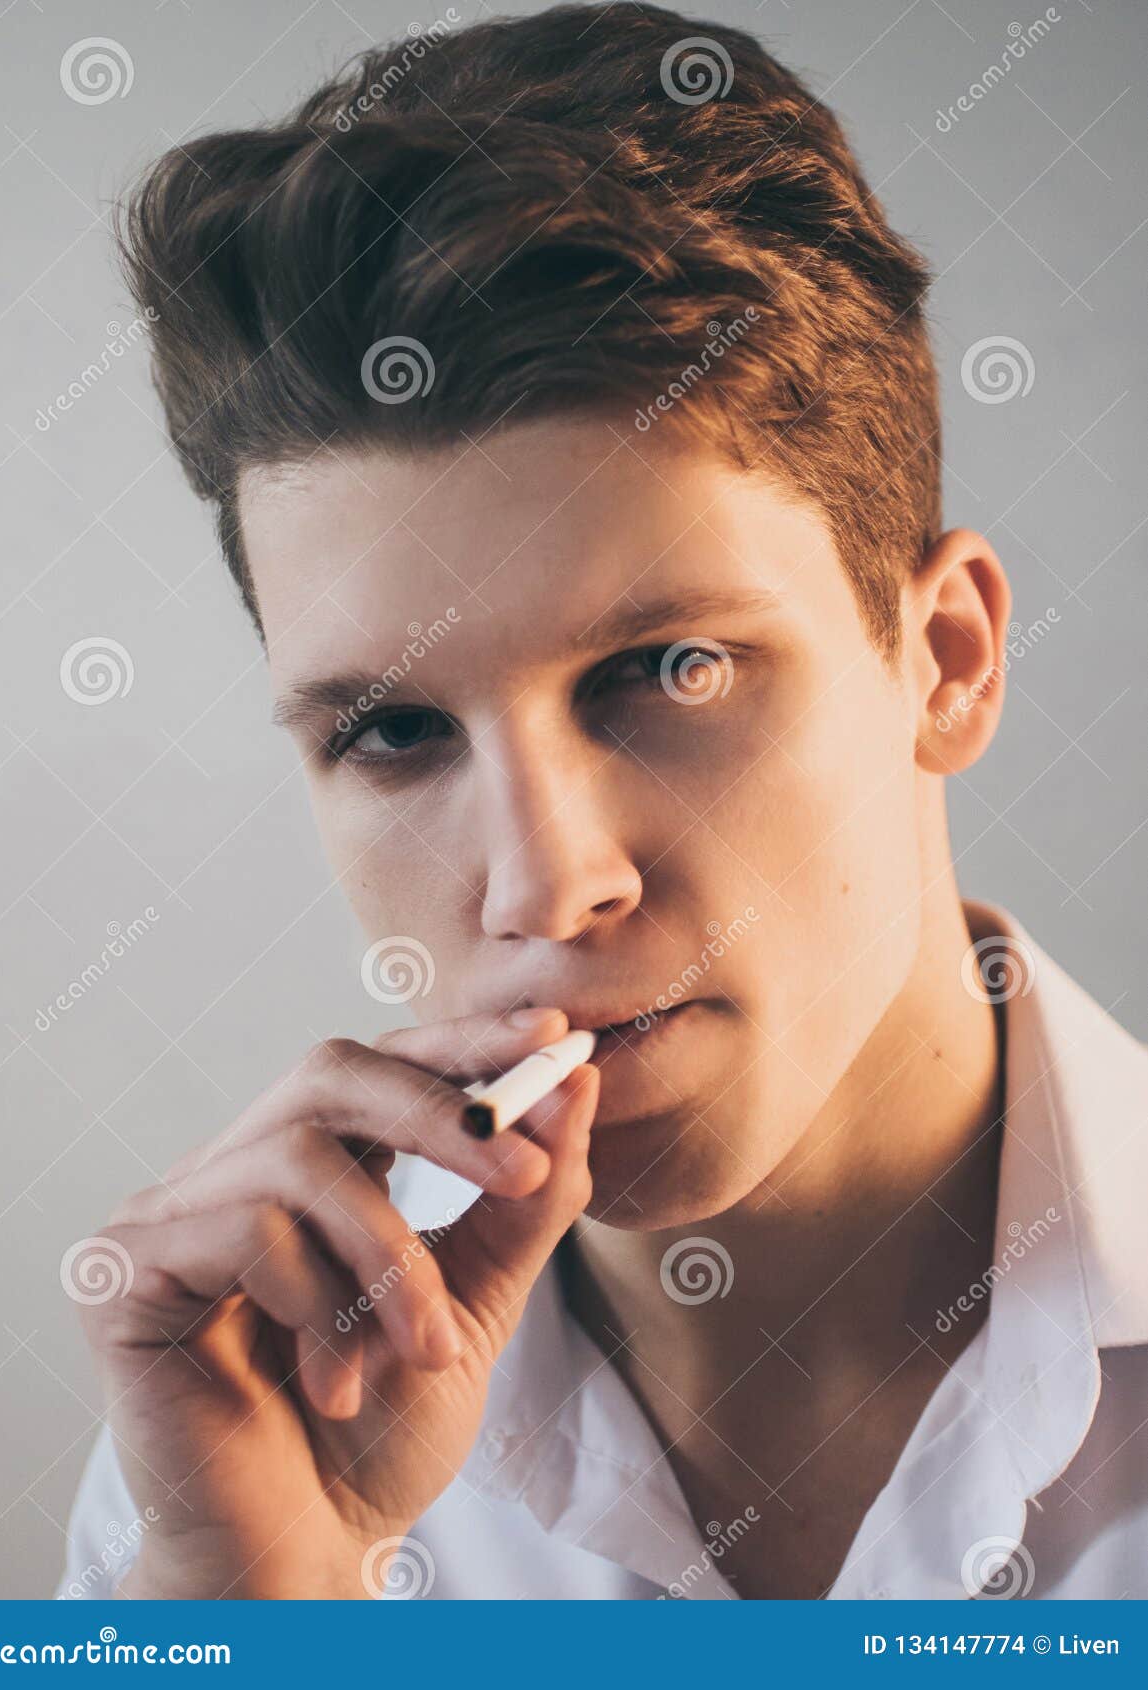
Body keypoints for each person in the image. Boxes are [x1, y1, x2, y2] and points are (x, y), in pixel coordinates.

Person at [57, 2, 1148, 1601]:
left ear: (947, 659)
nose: (543, 885)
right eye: (396, 729)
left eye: (668, 671)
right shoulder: (231, 1452)